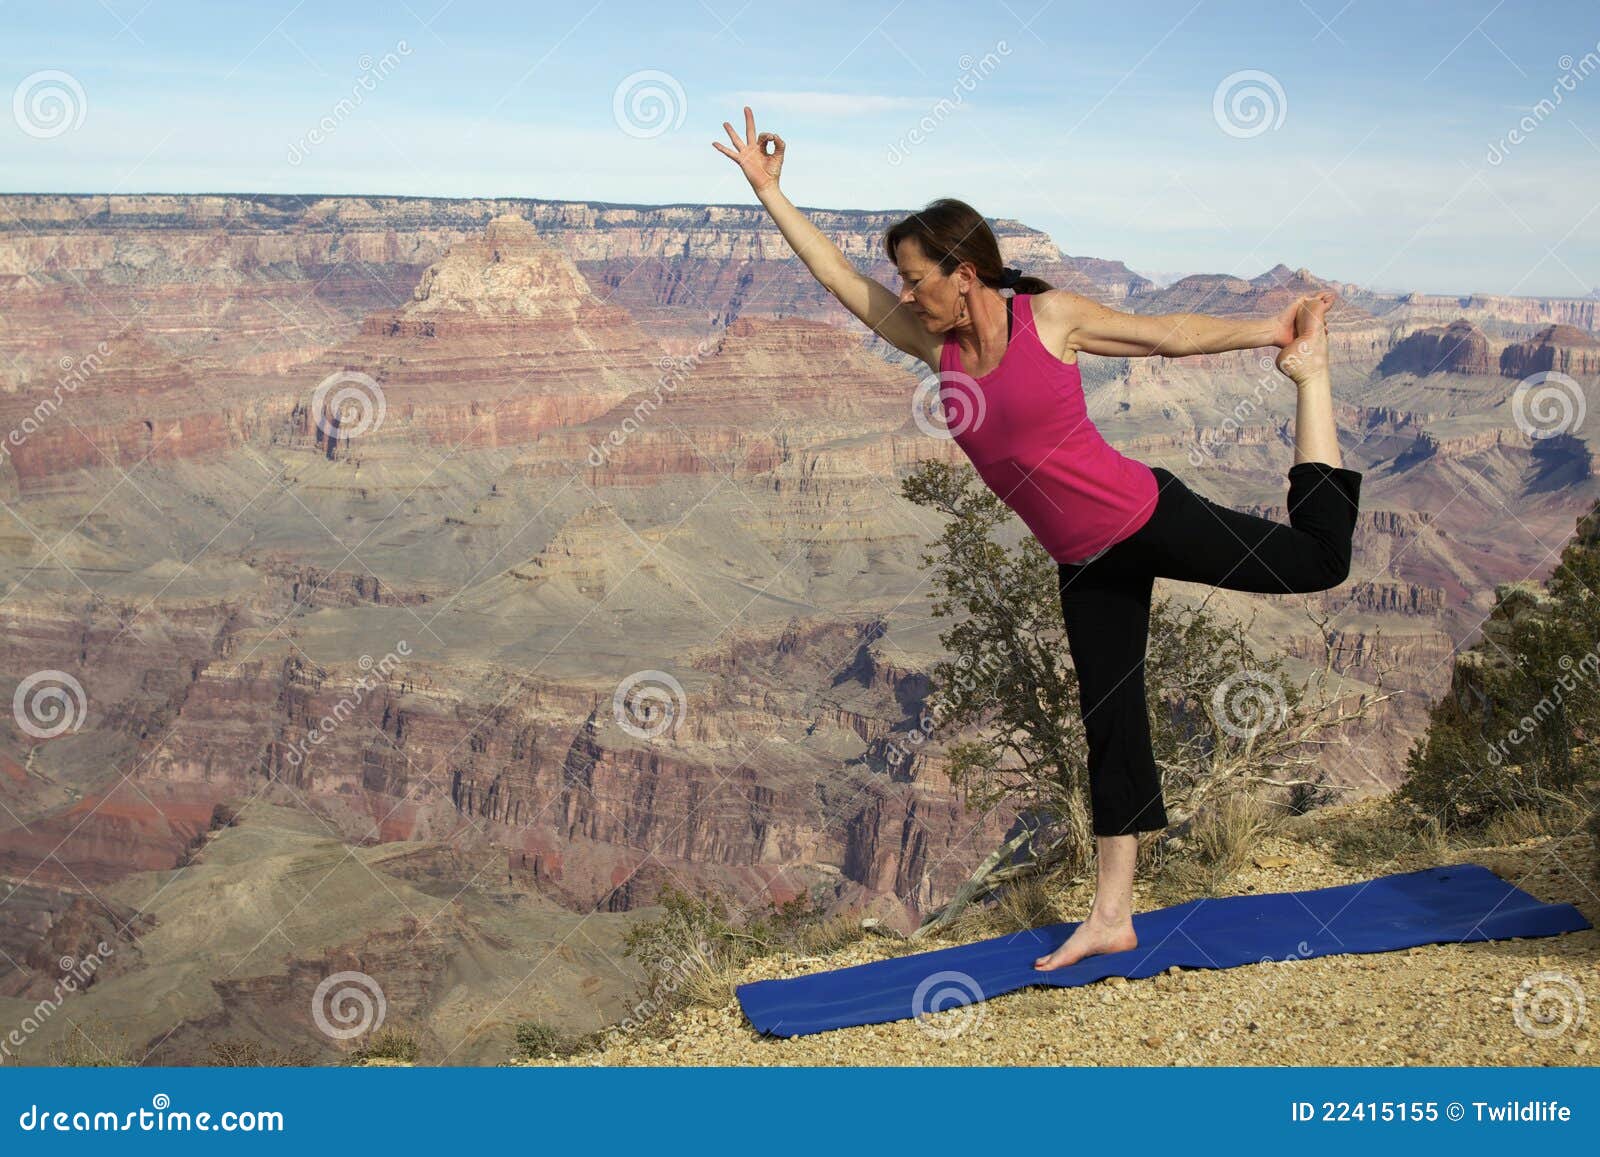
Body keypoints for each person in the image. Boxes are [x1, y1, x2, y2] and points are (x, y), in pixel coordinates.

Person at [714, 107, 1361, 971]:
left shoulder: (1048, 319)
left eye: (914, 278)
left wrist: (1276, 337)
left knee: (1319, 561)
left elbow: (1166, 338)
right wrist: (770, 192)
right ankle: (1112, 915)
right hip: (1084, 561)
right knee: (1111, 722)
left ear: (964, 274)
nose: (903, 294)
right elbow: (838, 278)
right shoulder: (935, 346)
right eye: (900, 281)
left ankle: (1313, 383)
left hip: (1147, 517)